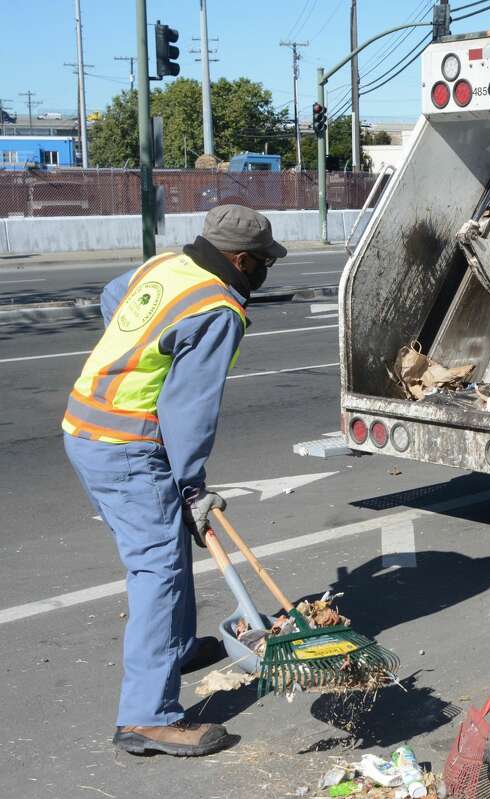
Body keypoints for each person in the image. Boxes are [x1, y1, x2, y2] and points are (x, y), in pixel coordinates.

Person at [62, 205, 286, 756]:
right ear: (240, 260)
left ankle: (177, 646)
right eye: (262, 264)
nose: (264, 274)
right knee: (157, 571)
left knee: (162, 549)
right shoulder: (217, 308)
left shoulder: (163, 268)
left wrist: (139, 355)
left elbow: (113, 299)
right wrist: (190, 484)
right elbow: (189, 410)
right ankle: (146, 717)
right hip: (129, 448)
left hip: (86, 426)